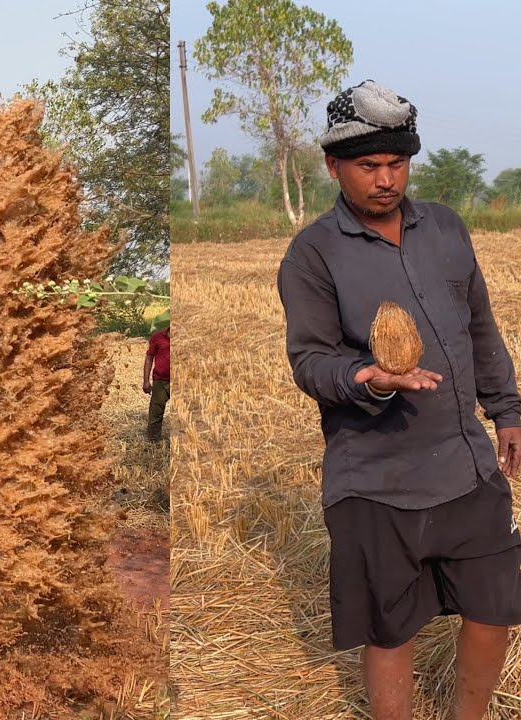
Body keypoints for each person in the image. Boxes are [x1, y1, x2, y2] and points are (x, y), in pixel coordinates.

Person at [277, 80, 521, 720]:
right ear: (333, 166)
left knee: (496, 606)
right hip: (376, 476)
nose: (385, 179)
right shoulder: (313, 255)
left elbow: (480, 329)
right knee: (392, 627)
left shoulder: (444, 226)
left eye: (396, 163)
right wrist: (370, 379)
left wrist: (507, 409)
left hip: (464, 462)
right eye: (368, 166)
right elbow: (311, 359)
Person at [144, 313, 170, 441]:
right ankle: (153, 442)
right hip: (161, 380)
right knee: (156, 413)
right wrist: (146, 381)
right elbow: (149, 358)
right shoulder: (158, 337)